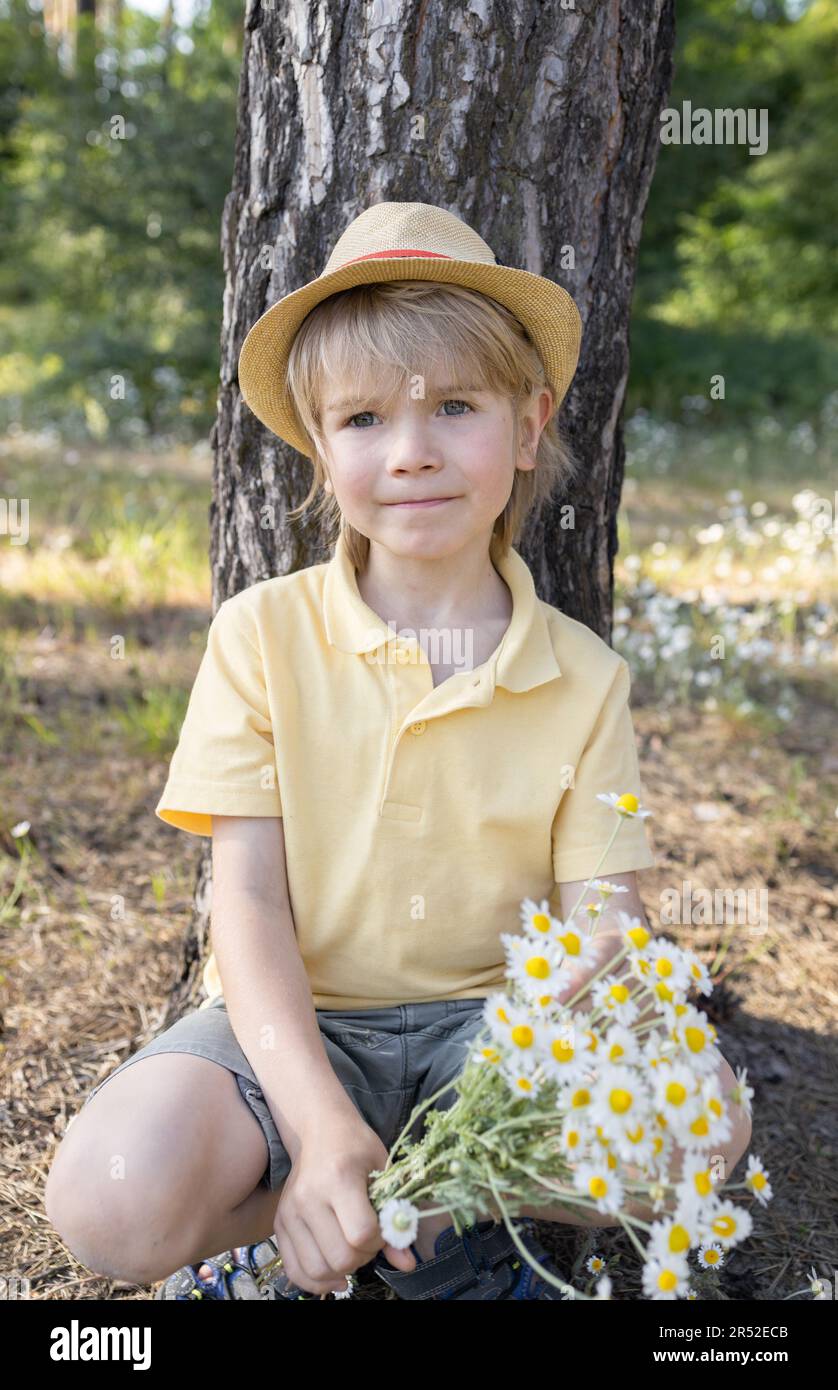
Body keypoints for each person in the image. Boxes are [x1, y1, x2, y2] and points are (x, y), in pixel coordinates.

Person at [44, 202, 751, 1302]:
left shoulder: (583, 675)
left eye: (455, 407)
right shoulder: (262, 636)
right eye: (365, 418)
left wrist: (518, 1076)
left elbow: (607, 917)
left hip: (498, 1030)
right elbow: (249, 905)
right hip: (295, 1025)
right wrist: (321, 1123)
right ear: (321, 450)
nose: (411, 452)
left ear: (527, 428)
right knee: (110, 1195)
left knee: (706, 1123)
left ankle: (424, 1205)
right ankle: (312, 1217)